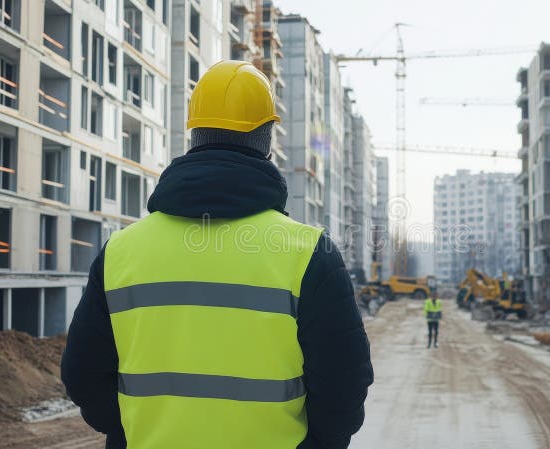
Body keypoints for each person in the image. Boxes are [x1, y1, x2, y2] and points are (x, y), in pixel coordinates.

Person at [61, 61, 373, 449]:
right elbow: (343, 390)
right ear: (268, 139)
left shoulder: (121, 252)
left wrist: (133, 428)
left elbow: (83, 375)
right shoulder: (310, 254)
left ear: (194, 134)